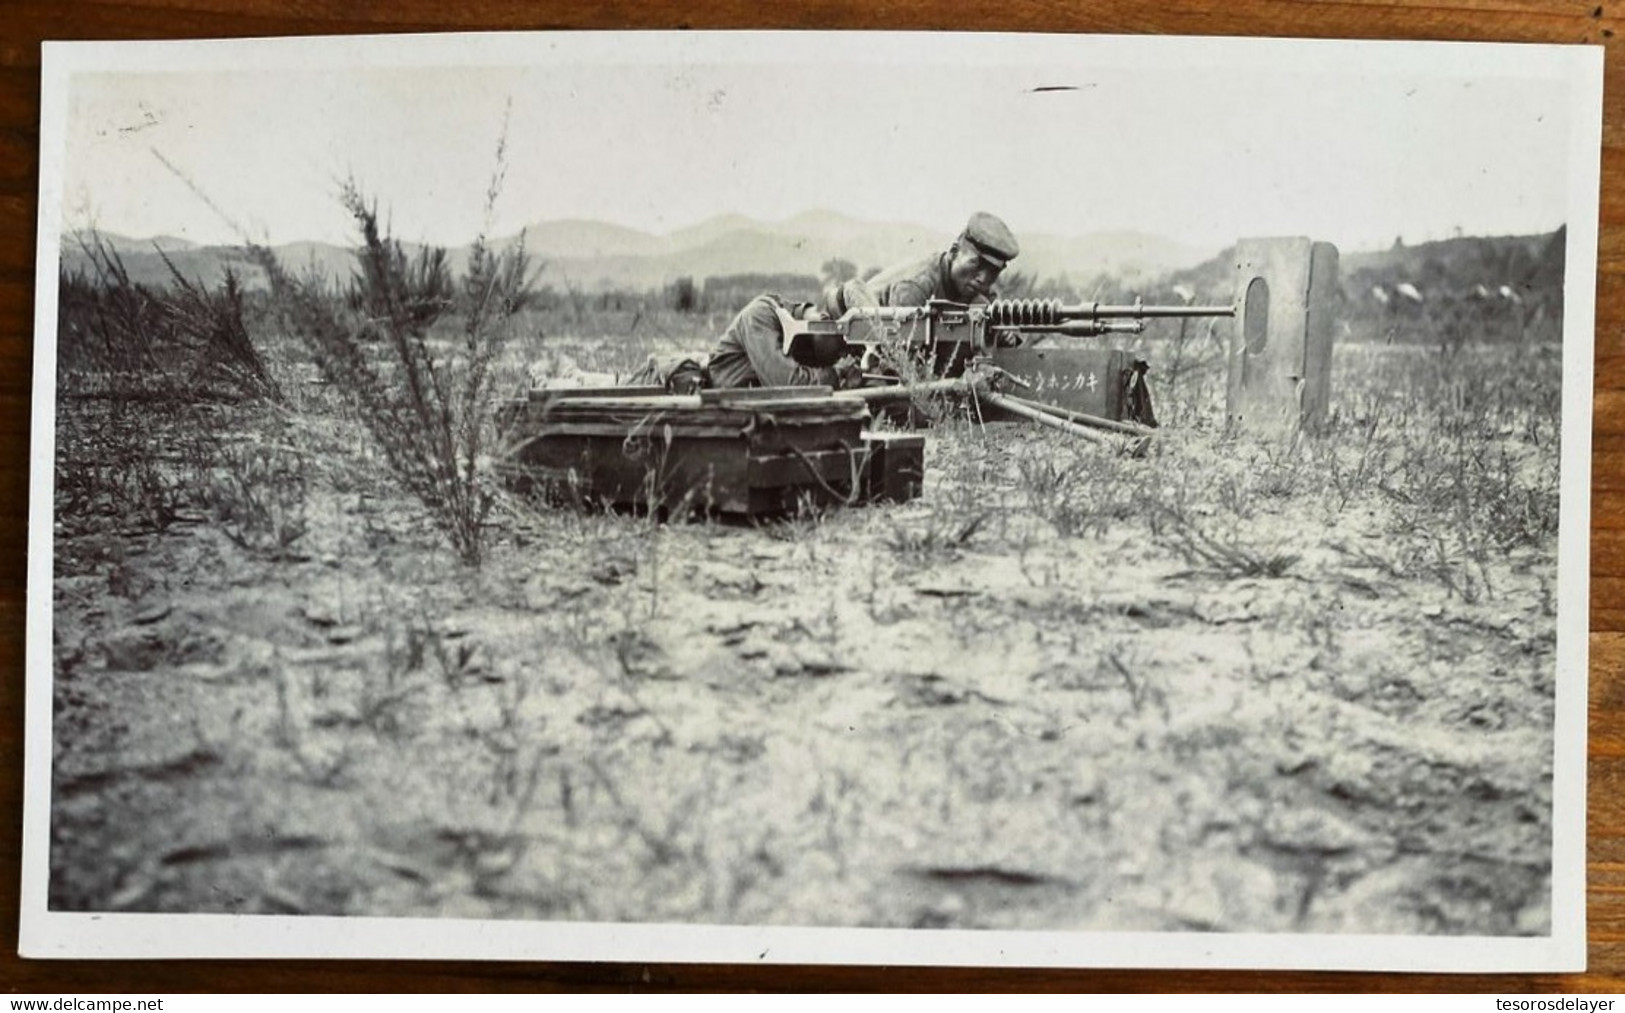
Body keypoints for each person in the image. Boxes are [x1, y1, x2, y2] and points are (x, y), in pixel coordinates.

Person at [704, 212, 1021, 390]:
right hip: (703, 387)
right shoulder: (760, 316)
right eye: (976, 265)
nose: (982, 278)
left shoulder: (809, 339)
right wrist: (842, 376)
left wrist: (1002, 327)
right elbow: (789, 388)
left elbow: (988, 303)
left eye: (992, 273)